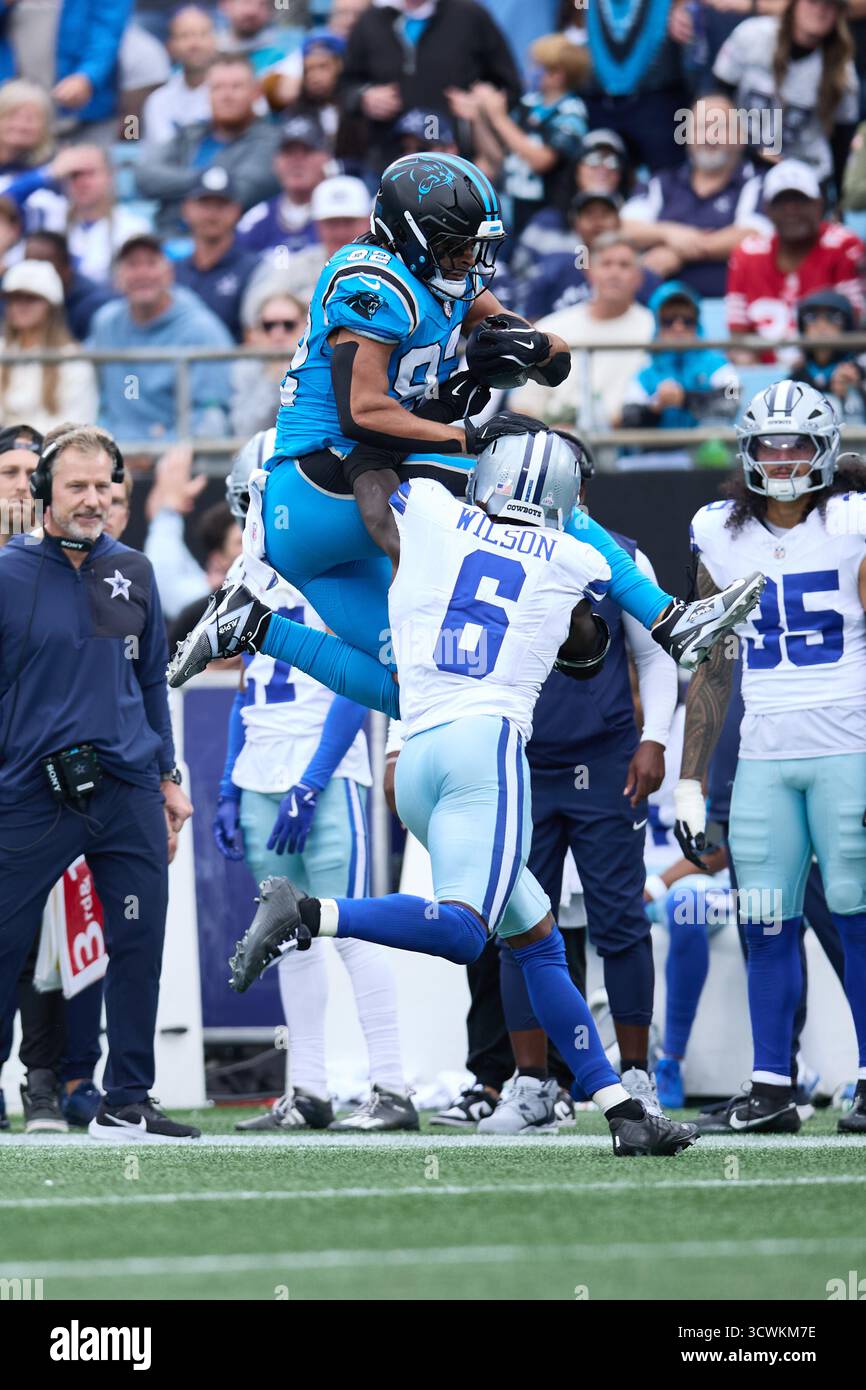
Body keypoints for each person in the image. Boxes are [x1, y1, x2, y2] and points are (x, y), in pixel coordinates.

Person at [224, 433, 701, 1158]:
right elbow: (589, 644)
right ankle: (310, 914)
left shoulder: (436, 519)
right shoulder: (575, 554)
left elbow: (381, 512)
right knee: (462, 933)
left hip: (417, 749)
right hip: (488, 755)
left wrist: (377, 443)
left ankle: (618, 1108)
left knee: (537, 942)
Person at [167, 153, 766, 689]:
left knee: (420, 687)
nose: (470, 260)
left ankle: (253, 626)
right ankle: (670, 620)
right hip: (327, 476)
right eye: (457, 245)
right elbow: (363, 411)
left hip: (307, 525)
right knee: (534, 483)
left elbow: (524, 337)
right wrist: (467, 434)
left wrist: (536, 352)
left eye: (475, 245)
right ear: (412, 237)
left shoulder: (443, 274)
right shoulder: (375, 284)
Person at [463, 433, 680, 1132]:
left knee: (619, 918)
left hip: (601, 756)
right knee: (518, 925)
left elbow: (656, 652)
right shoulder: (485, 545)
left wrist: (654, 739)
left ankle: (637, 1076)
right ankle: (532, 1087)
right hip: (517, 755)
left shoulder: (612, 552)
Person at [674, 380, 866, 1135]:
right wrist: (691, 781)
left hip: (848, 745)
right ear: (747, 453)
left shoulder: (853, 522)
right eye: (767, 446)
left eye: (796, 446)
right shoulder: (718, 531)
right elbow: (715, 662)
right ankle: (769, 1087)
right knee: (765, 920)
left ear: (825, 450)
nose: (783, 460)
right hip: (763, 758)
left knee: (855, 918)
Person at [0, 424, 198, 1141]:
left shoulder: (134, 571)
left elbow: (151, 685)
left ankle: (127, 1098)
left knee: (139, 944)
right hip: (28, 792)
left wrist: (168, 779)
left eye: (103, 485)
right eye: (76, 485)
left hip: (126, 791)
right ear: (41, 490)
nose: (92, 499)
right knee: (5, 943)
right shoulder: (7, 572)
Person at [217, 434, 417, 1134]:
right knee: (285, 939)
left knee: (351, 928)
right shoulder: (245, 577)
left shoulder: (341, 566)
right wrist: (226, 783)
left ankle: (390, 1085)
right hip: (262, 775)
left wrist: (310, 780)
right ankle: (308, 1091)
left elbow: (356, 683)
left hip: (323, 779)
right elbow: (249, 688)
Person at [620, 92, 769, 300]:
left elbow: (753, 235)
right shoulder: (662, 182)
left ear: (741, 136)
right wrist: (669, 233)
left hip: (731, 308)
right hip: (656, 312)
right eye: (701, 128)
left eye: (720, 128)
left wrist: (678, 252)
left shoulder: (758, 182)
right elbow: (624, 228)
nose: (710, 136)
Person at [341, 0, 521, 171]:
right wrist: (363, 97)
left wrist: (480, 105)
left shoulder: (471, 15)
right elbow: (345, 86)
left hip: (458, 162)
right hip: (387, 160)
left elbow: (509, 86)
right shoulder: (370, 20)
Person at [87, 233, 234, 442]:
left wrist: (161, 448)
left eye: (151, 263)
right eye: (132, 265)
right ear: (117, 278)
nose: (142, 273)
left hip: (177, 456)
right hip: (114, 454)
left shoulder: (202, 329)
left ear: (169, 273)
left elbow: (212, 411)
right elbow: (98, 401)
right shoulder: (105, 323)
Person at [509, 233, 654, 430]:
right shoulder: (552, 327)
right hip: (551, 438)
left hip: (626, 440)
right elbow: (522, 404)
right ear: (590, 273)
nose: (614, 273)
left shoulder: (653, 328)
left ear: (639, 277)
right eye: (606, 264)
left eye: (624, 265)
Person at [726, 159, 864, 360]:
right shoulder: (746, 254)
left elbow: (854, 324)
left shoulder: (843, 246)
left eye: (800, 201)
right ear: (767, 209)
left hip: (829, 374)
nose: (791, 210)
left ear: (819, 204)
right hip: (765, 382)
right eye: (781, 202)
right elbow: (737, 337)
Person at [712, 0, 858, 189]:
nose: (820, 10)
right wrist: (746, 149)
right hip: (739, 160)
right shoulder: (752, 35)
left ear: (839, 14)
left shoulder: (842, 71)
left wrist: (838, 197)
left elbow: (842, 141)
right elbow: (715, 99)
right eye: (812, 2)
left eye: (830, 5)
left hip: (802, 175)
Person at [136, 53, 282, 237]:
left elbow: (242, 191)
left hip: (233, 245)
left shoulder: (271, 141)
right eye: (217, 88)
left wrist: (178, 184)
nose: (226, 96)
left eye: (236, 87)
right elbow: (145, 176)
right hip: (167, 237)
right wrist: (204, 180)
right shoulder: (191, 133)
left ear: (255, 93)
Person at [464, 34, 588, 241]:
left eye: (538, 66)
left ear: (557, 75)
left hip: (546, 218)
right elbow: (497, 159)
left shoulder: (572, 112)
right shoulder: (527, 105)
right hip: (511, 212)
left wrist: (498, 118)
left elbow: (542, 161)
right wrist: (478, 118)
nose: (530, 71)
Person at [6, 144, 152, 283]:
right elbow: (4, 205)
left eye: (90, 173)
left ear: (110, 176)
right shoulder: (48, 213)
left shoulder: (132, 227)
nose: (82, 182)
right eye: (74, 175)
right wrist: (49, 172)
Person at [516, 191, 662, 322]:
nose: (597, 222)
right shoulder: (553, 268)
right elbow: (532, 322)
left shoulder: (638, 273)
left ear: (618, 222)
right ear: (576, 223)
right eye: (589, 215)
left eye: (605, 214)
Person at [621, 281, 739, 431]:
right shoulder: (645, 371)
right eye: (668, 320)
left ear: (697, 323)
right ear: (657, 325)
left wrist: (685, 399)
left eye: (687, 320)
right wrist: (655, 406)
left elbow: (733, 400)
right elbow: (628, 420)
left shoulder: (719, 365)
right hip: (657, 452)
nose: (678, 327)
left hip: (708, 452)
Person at [0, 258, 98, 433]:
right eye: (14, 299)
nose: (20, 306)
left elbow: (76, 424)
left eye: (31, 299)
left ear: (51, 306)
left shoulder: (73, 358)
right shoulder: (2, 349)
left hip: (50, 454)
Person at [173, 168, 258, 341]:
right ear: (186, 209)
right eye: (204, 204)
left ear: (237, 210)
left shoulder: (253, 269)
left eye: (221, 205)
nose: (212, 214)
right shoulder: (173, 272)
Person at [234, 115, 331, 260]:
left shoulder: (343, 216)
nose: (297, 161)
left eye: (307, 151)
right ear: (275, 161)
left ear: (326, 158)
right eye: (288, 153)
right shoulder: (255, 222)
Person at [230, 278, 306, 440]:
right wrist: (274, 381)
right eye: (269, 326)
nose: (278, 334)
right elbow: (246, 432)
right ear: (256, 332)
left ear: (305, 328)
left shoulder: (319, 366)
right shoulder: (245, 369)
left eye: (288, 325)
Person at [141, 4, 216, 148]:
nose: (195, 44)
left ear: (215, 41)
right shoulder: (157, 101)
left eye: (202, 34)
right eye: (185, 36)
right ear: (171, 46)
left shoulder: (232, 92)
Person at [24, 229, 115, 341]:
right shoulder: (16, 298)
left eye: (44, 263)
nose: (35, 271)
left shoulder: (94, 304)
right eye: (29, 263)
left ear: (66, 266)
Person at [791, 289, 866, 419]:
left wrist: (855, 391)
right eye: (811, 317)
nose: (821, 325)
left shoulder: (859, 370)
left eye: (833, 317)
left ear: (847, 326)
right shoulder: (796, 376)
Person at [0, 81, 54, 193]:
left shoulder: (52, 169)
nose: (21, 125)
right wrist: (42, 176)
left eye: (30, 119)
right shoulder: (49, 172)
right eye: (12, 116)